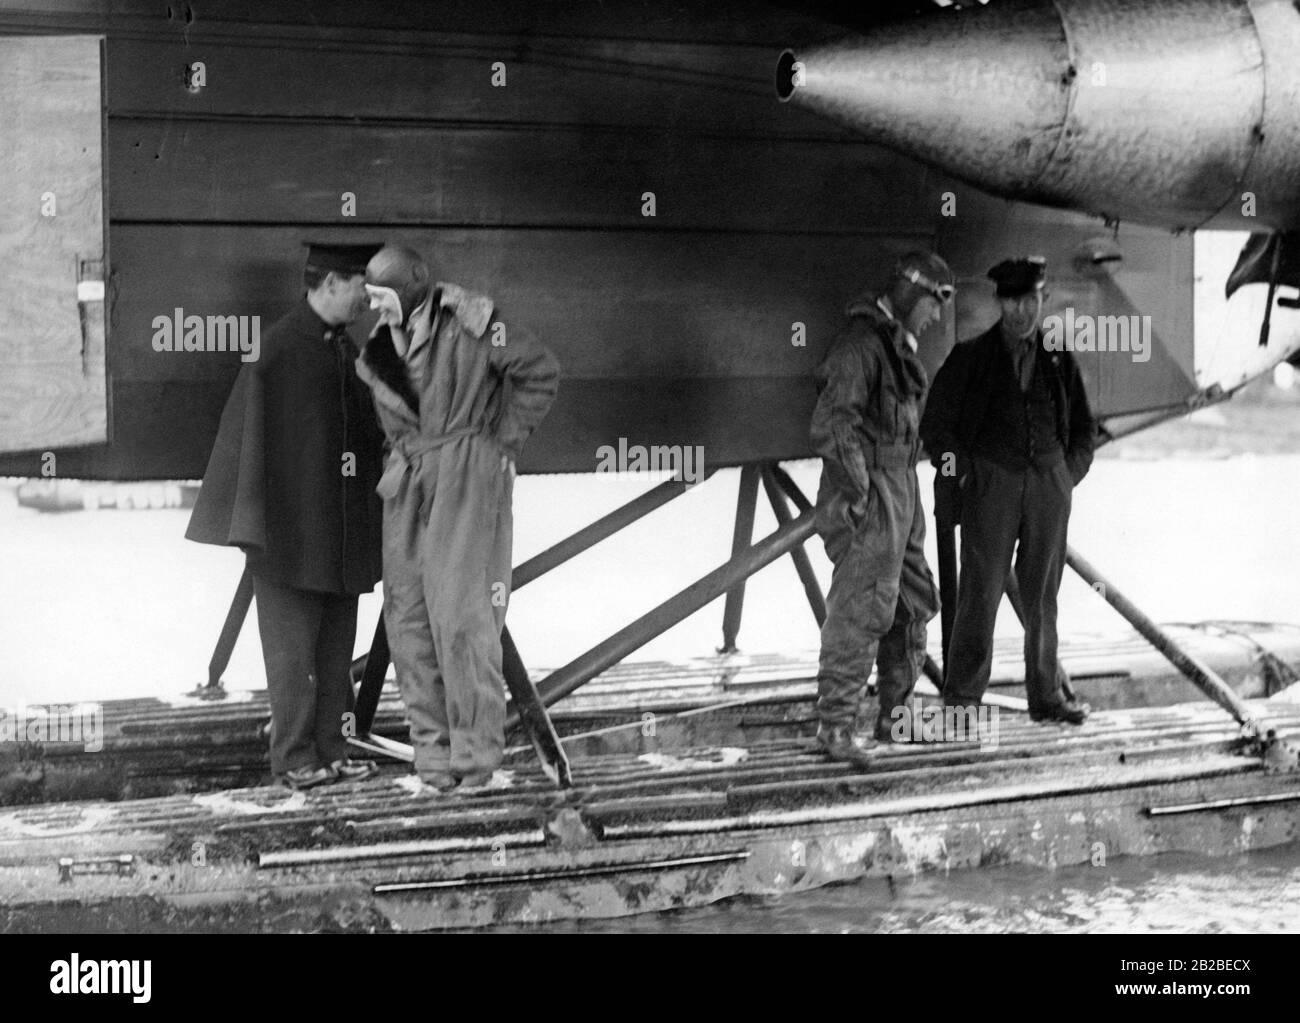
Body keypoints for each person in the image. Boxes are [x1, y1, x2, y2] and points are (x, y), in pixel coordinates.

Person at [356, 245, 560, 794]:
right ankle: (434, 758)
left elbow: (538, 372)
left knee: (464, 615)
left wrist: (501, 445)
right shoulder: (377, 351)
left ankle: (475, 758)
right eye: (372, 299)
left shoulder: (475, 325)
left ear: (411, 285)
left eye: (383, 297)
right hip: (408, 483)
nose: (377, 310)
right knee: (409, 618)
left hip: (467, 477)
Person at [187, 241, 386, 789]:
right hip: (290, 542)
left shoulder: (344, 348)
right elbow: (247, 451)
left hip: (340, 540)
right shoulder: (276, 349)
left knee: (335, 653)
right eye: (359, 289)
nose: (366, 300)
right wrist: (259, 533)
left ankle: (333, 750)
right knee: (293, 659)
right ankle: (296, 760)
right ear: (327, 285)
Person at [920, 257, 1095, 724]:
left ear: (1044, 299)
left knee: (1043, 596)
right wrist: (963, 475)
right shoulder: (970, 357)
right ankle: (961, 702)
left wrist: (1065, 476)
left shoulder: (1059, 357)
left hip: (1048, 485)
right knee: (981, 592)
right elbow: (936, 430)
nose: (1024, 311)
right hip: (990, 485)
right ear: (1000, 302)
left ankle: (1047, 697)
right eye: (1014, 301)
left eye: (1032, 300)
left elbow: (1083, 428)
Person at [809, 252, 952, 764]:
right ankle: (836, 728)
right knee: (862, 605)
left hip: (902, 485)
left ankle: (898, 719)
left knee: (913, 600)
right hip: (873, 490)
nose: (936, 317)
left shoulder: (896, 348)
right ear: (914, 297)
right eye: (933, 304)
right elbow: (833, 426)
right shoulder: (861, 347)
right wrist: (859, 492)